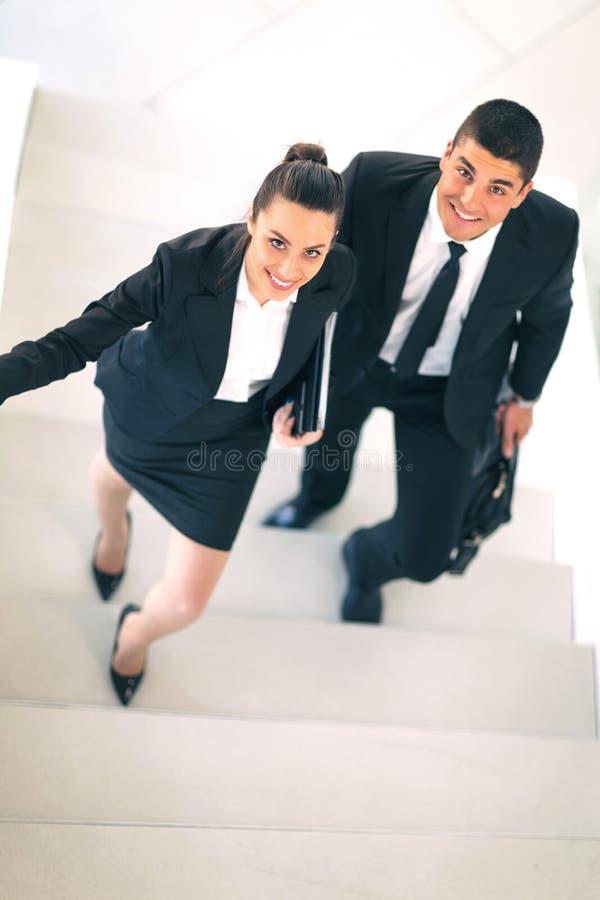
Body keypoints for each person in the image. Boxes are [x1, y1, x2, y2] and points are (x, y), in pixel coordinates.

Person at [0, 143, 355, 703]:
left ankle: (134, 631)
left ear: (332, 244)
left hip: (233, 439)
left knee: (187, 603)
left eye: (313, 251)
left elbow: (316, 343)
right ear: (251, 219)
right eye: (277, 242)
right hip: (152, 409)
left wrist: (297, 407)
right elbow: (74, 340)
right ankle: (115, 535)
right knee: (112, 477)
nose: (291, 269)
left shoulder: (338, 273)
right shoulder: (184, 263)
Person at [264, 100, 579, 624]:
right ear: (447, 153)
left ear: (523, 194)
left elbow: (548, 318)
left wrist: (524, 398)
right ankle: (314, 500)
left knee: (426, 556)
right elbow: (302, 262)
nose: (470, 200)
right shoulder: (370, 179)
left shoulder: (553, 233)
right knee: (326, 456)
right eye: (464, 172)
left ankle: (363, 560)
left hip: (449, 389)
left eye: (498, 189)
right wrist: (292, 363)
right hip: (357, 358)